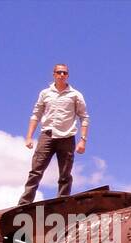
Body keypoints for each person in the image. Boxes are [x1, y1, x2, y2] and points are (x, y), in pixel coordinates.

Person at [17, 63, 89, 205]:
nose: (62, 75)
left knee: (65, 174)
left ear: (67, 75)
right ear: (54, 74)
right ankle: (24, 203)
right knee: (36, 171)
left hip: (67, 137)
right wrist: (29, 137)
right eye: (59, 72)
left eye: (65, 73)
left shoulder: (75, 95)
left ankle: (61, 203)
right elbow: (35, 115)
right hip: (47, 135)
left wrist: (83, 140)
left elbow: (84, 117)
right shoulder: (45, 93)